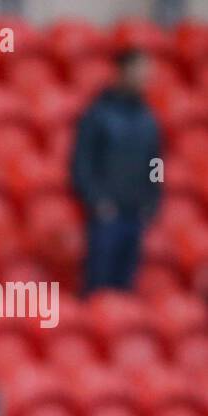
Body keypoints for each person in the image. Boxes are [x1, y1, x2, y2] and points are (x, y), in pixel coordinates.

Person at [70, 48, 163, 293]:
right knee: (99, 285)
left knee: (126, 288)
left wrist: (151, 201)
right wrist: (98, 201)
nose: (146, 76)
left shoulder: (148, 117)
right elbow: (82, 163)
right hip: (107, 217)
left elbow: (156, 163)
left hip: (135, 214)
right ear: (123, 71)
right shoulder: (98, 114)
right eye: (140, 70)